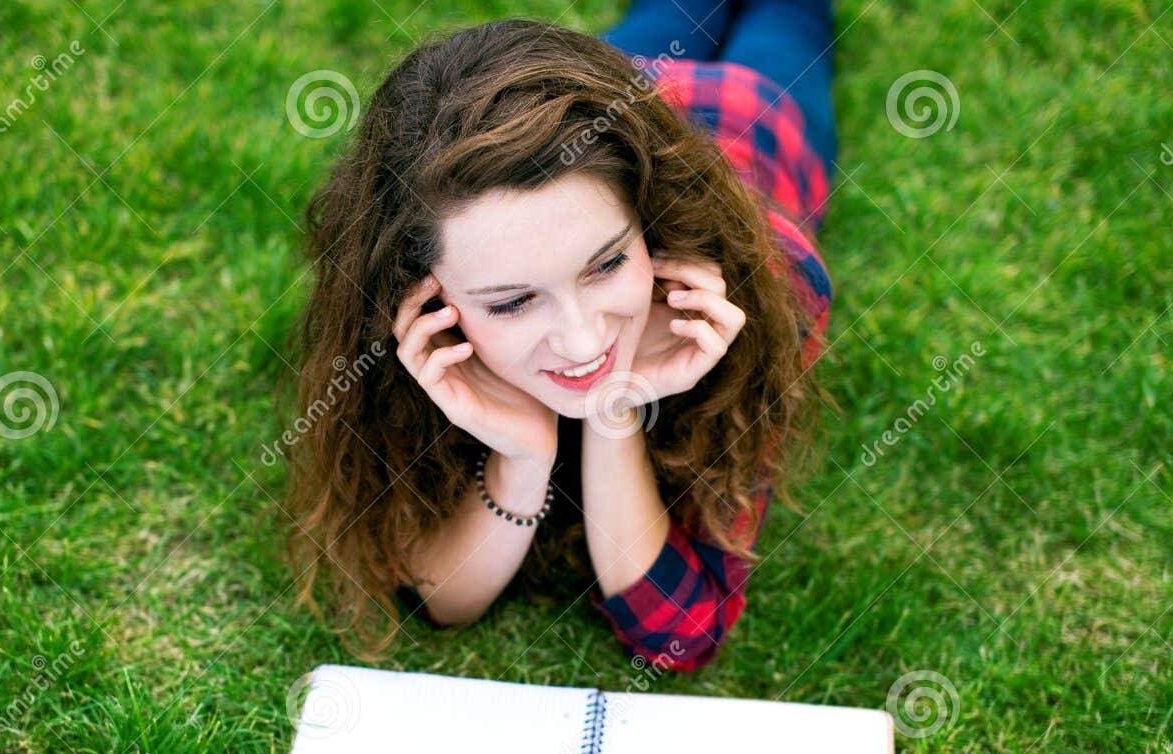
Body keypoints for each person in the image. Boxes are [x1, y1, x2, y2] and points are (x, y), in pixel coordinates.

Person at [283, 5, 838, 671]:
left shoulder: (774, 286)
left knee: (790, 17)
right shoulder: (402, 337)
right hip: (614, 89)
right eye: (513, 301)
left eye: (606, 265)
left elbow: (681, 636)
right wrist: (520, 463)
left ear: (647, 222)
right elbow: (439, 599)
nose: (581, 344)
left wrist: (616, 408)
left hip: (755, 121)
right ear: (428, 297)